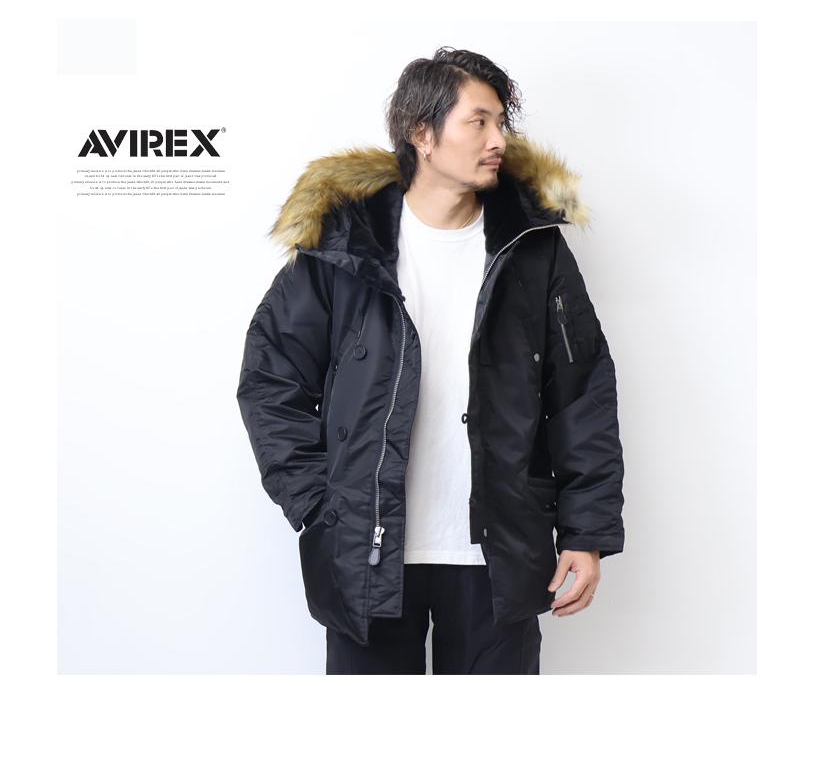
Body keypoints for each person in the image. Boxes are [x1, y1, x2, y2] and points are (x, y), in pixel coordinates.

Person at [236, 47, 625, 674]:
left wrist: (586, 532)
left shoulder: (533, 249)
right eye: (479, 122)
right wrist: (319, 505)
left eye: (502, 122)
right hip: (367, 553)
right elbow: (269, 380)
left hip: (499, 557)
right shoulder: (343, 247)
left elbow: (582, 394)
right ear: (423, 134)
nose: (498, 140)